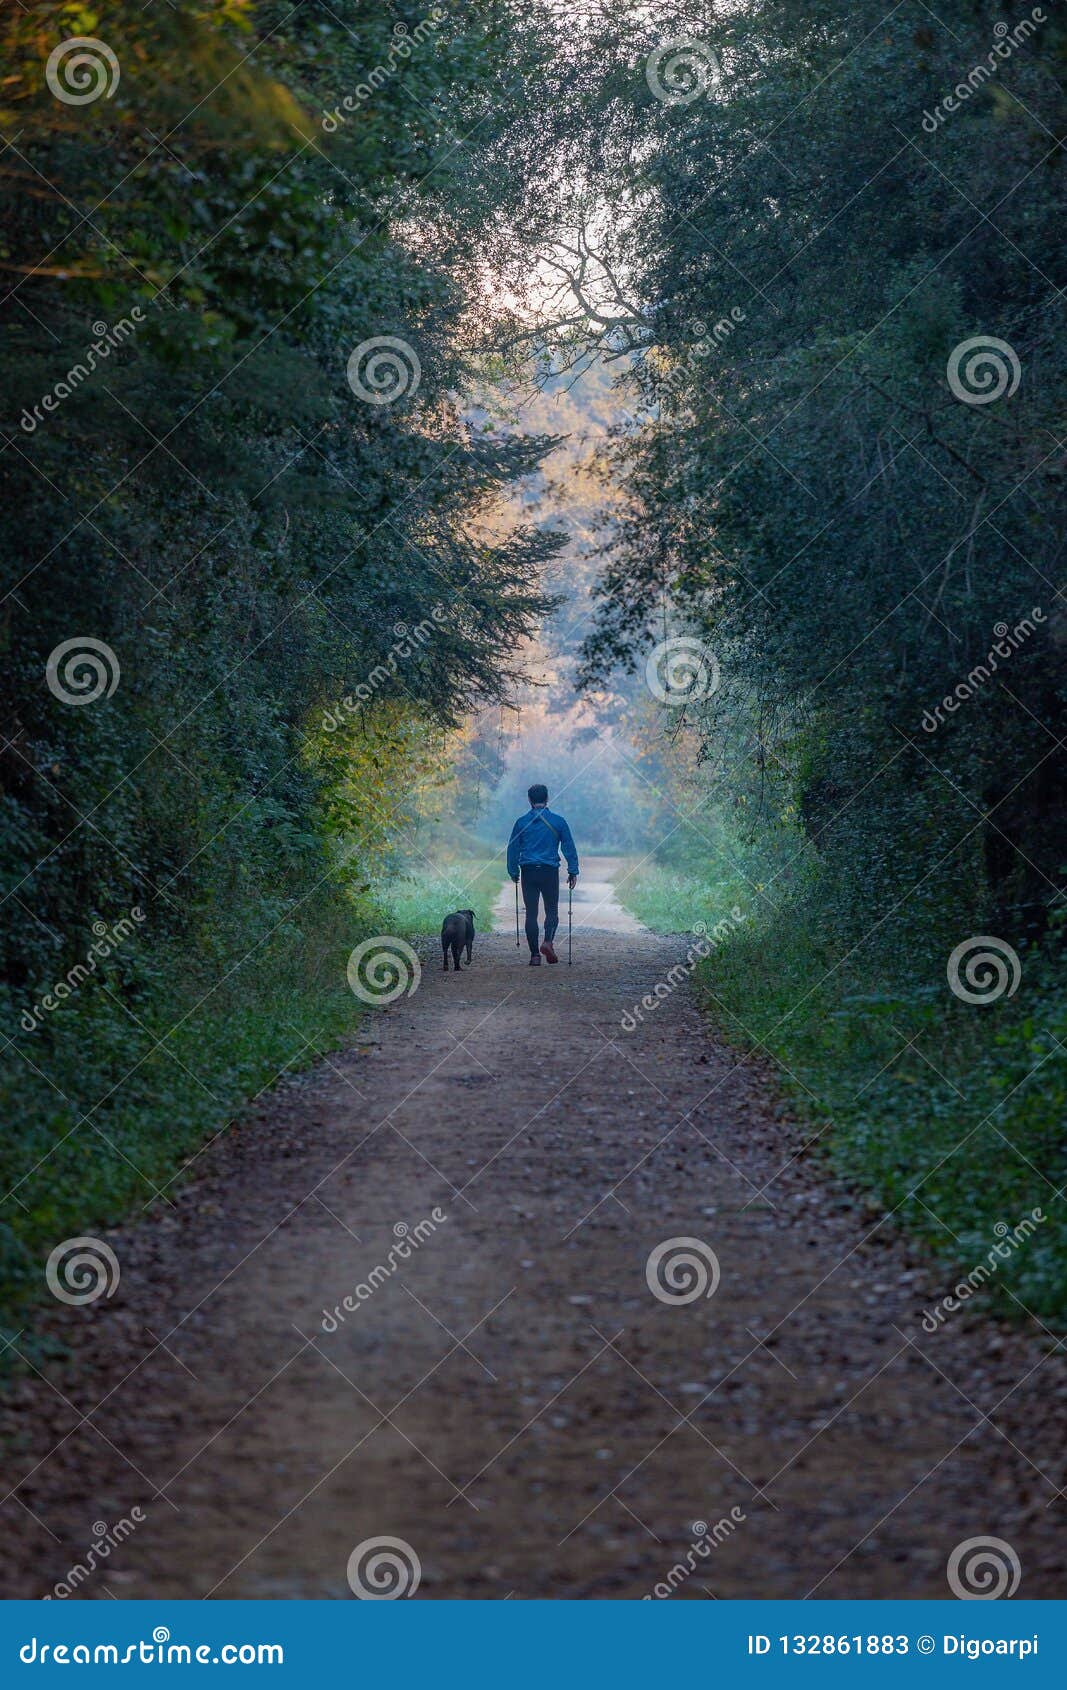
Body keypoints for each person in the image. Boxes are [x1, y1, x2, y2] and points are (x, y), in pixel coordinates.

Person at [506, 783, 579, 965]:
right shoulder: (558, 821)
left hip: (529, 871)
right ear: (547, 799)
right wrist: (573, 870)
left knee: (531, 913)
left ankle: (534, 956)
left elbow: (513, 848)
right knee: (551, 909)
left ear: (529, 800)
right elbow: (568, 846)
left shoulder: (521, 822)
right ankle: (547, 941)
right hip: (549, 871)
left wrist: (513, 871)